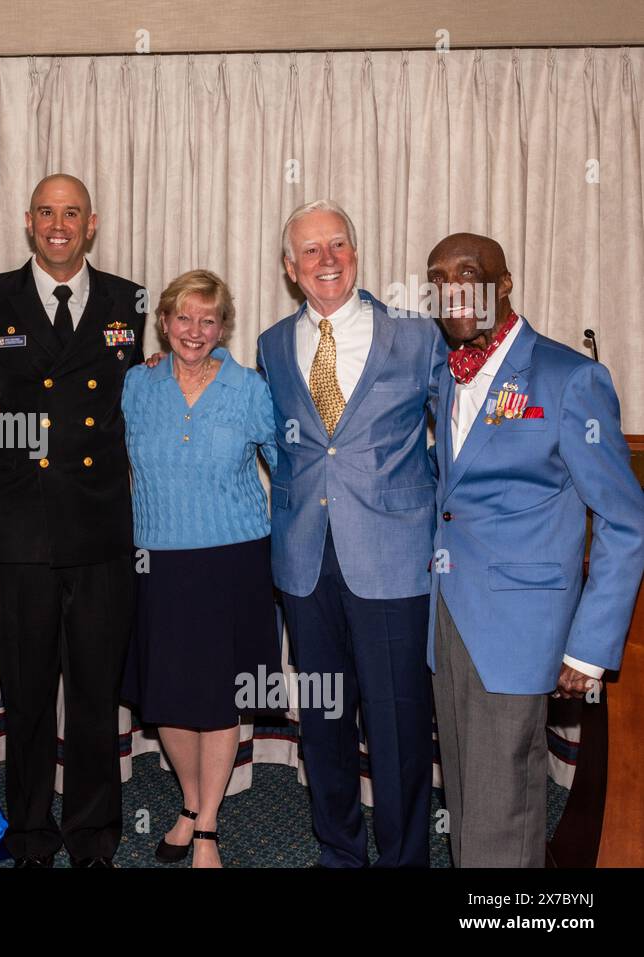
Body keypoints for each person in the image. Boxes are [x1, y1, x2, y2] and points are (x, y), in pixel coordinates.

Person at [426, 232, 644, 867]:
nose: (451, 288)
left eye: (469, 272)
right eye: (437, 277)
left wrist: (588, 646)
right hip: (449, 616)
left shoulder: (571, 378)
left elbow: (625, 521)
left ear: (506, 282)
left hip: (523, 627)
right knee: (469, 796)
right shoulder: (445, 370)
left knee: (502, 810)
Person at [256, 199, 447, 868]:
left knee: (398, 728)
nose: (326, 259)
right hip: (305, 564)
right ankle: (339, 851)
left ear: (356, 254)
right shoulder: (273, 344)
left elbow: (454, 437)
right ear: (290, 267)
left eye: (337, 245)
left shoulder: (417, 335)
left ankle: (403, 858)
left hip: (394, 561)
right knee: (324, 723)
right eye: (311, 250)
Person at [0, 173, 145, 868]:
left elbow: (155, 382)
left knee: (95, 694)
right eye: (46, 211)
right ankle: (30, 833)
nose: (58, 223)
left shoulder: (128, 300)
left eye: (71, 212)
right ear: (27, 220)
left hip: (101, 529)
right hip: (17, 531)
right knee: (27, 694)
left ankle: (95, 832)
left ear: (91, 223)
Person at [120, 270, 277, 868]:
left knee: (220, 698)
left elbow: (287, 464)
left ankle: (207, 822)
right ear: (163, 323)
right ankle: (188, 803)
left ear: (222, 327)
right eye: (183, 318)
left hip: (233, 559)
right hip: (156, 559)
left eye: (207, 319)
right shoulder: (137, 383)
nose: (194, 330)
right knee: (169, 696)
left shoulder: (248, 389)